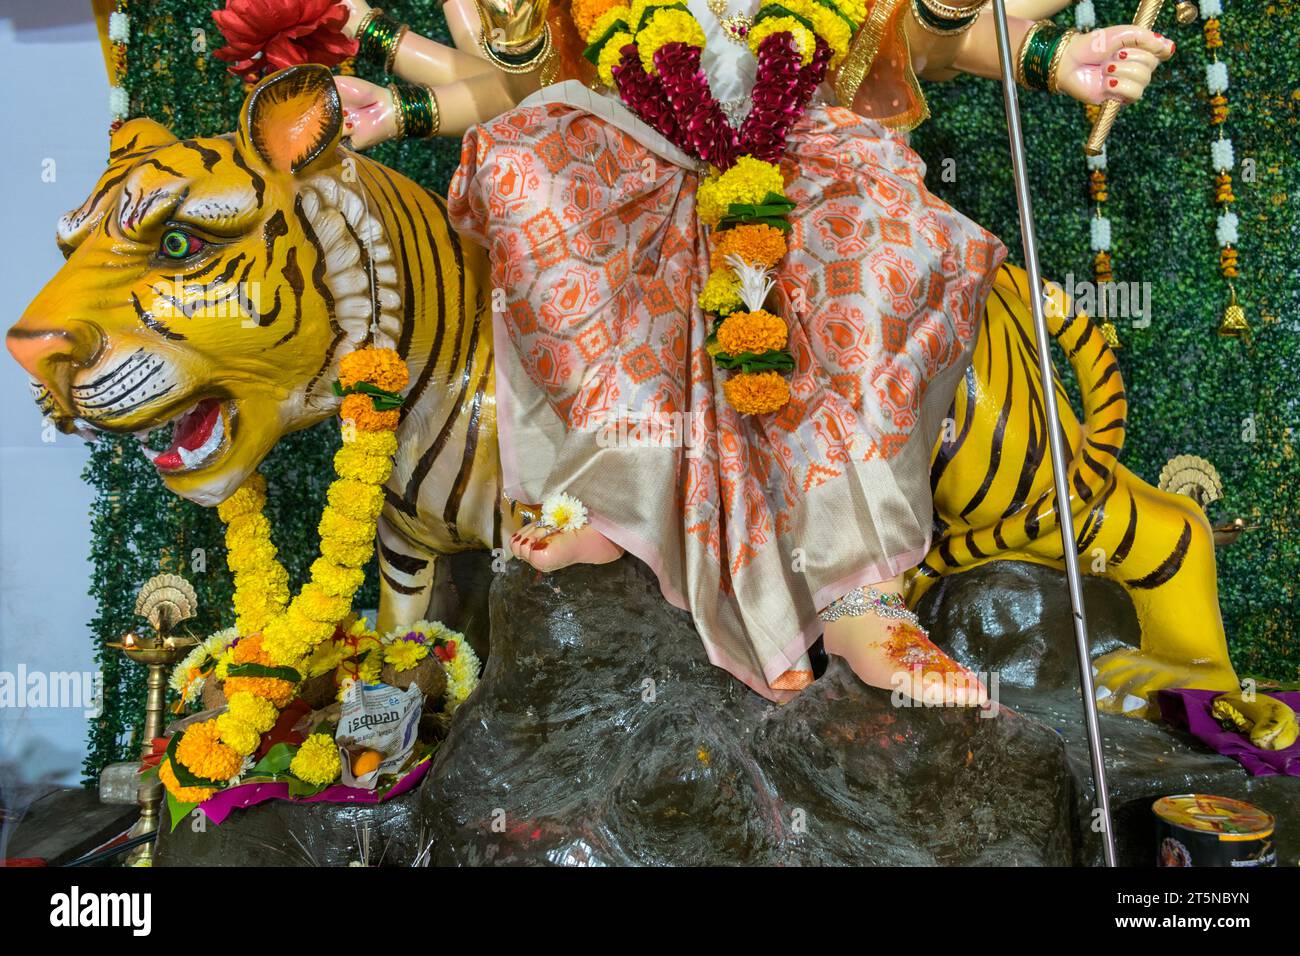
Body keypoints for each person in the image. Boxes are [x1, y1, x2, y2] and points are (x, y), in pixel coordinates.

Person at [332, 0, 1172, 706]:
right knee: (522, 162)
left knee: (903, 244)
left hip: (802, 154)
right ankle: (607, 490)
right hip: (638, 149)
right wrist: (421, 97)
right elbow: (527, 78)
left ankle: (859, 594)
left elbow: (912, 32)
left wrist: (1057, 58)